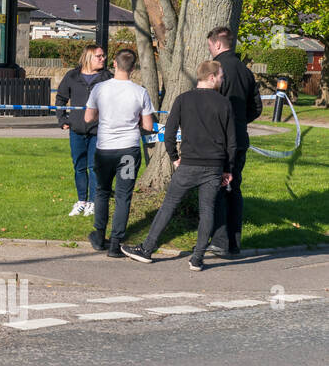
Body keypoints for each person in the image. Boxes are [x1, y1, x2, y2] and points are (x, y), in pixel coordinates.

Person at [123, 60, 236, 271]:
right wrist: (228, 168)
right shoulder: (224, 103)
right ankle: (197, 258)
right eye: (220, 76)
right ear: (211, 77)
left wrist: (174, 157)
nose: (222, 79)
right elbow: (231, 141)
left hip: (188, 164)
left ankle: (147, 249)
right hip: (214, 166)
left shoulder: (183, 99)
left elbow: (169, 132)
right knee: (207, 210)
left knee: (169, 206)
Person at [83, 48, 155, 258]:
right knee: (124, 195)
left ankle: (98, 235)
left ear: (114, 64)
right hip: (128, 151)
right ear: (133, 68)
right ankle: (116, 243)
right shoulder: (140, 92)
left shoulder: (99, 88)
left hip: (104, 149)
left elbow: (88, 118)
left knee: (102, 190)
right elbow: (148, 126)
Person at [204, 26, 262, 258]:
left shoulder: (217, 70)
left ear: (217, 44)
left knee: (218, 189)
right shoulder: (246, 72)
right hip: (239, 137)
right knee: (233, 188)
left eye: (210, 45)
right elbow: (256, 107)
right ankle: (234, 242)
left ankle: (219, 241)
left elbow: (210, 104)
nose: (209, 50)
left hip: (219, 139)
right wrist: (240, 121)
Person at [55, 43, 112, 216]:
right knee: (79, 166)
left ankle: (93, 202)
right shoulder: (72, 76)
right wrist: (62, 119)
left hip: (98, 130)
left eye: (103, 56)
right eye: (99, 56)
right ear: (88, 57)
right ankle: (82, 200)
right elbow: (60, 99)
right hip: (77, 129)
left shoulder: (107, 77)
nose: (103, 59)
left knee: (94, 166)